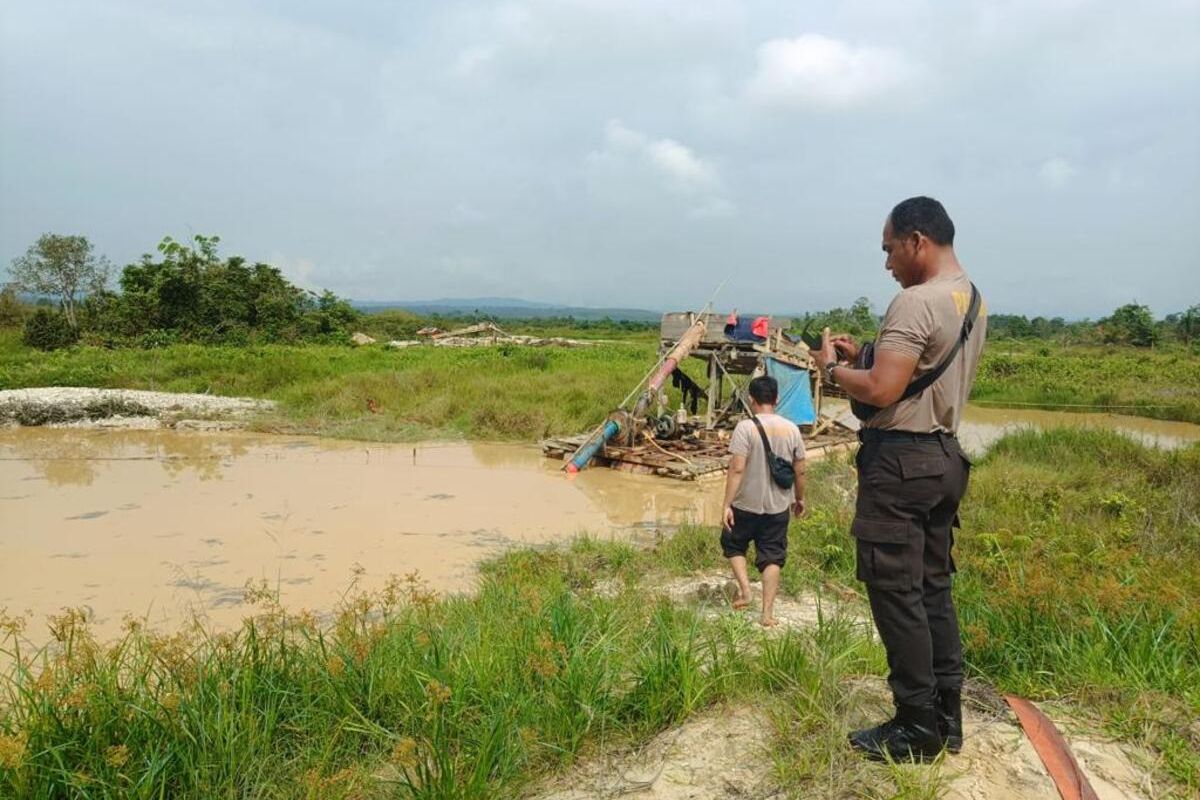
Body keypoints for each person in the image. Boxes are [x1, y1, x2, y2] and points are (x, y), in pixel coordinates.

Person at [812, 196, 987, 762]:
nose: (887, 263)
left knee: (895, 593)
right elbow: (922, 368)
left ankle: (915, 728)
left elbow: (884, 391)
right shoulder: (972, 298)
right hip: (944, 458)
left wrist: (833, 370)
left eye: (889, 249)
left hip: (902, 463)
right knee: (933, 589)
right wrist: (867, 351)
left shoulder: (914, 301)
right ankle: (946, 716)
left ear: (917, 240)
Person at [720, 375, 807, 627]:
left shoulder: (745, 428)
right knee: (772, 555)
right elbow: (800, 470)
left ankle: (746, 591)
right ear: (777, 399)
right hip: (778, 506)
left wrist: (726, 504)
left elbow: (736, 469)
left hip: (745, 503)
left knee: (733, 544)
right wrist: (799, 499)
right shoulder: (791, 429)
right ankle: (767, 614)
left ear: (751, 399)